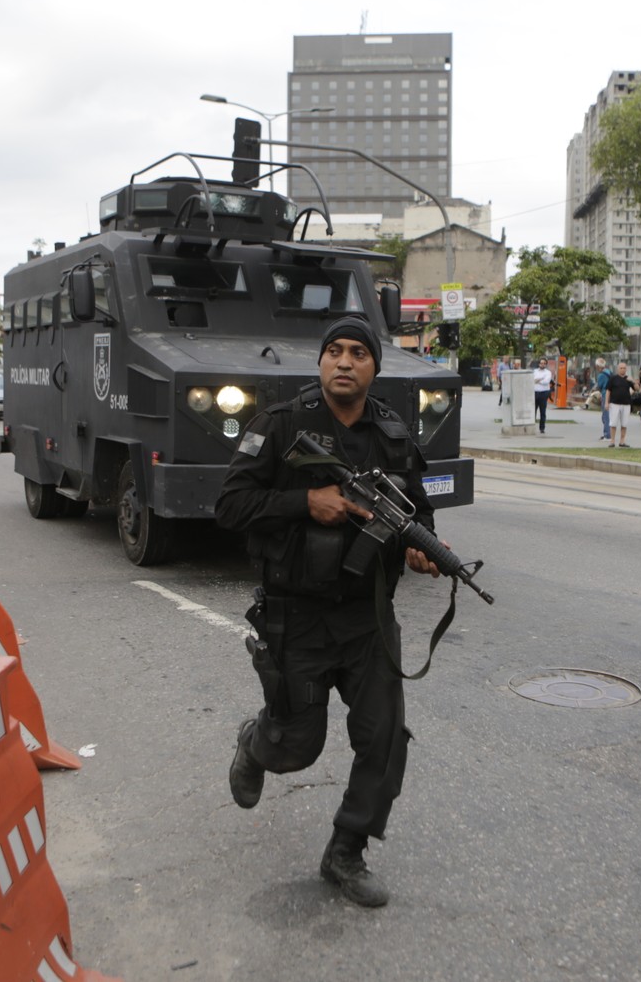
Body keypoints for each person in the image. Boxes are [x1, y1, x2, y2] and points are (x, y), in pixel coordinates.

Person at [217, 315, 445, 909]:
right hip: (296, 617)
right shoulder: (281, 424)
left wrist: (423, 549)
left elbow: (417, 512)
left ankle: (346, 852)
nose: (345, 362)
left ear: (375, 367)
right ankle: (255, 743)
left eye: (359, 354)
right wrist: (304, 501)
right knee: (298, 747)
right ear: (321, 363)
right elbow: (230, 505)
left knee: (386, 739)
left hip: (368, 619)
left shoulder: (393, 436)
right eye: (335, 352)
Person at [605, 361, 636, 447]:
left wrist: (633, 381)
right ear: (618, 369)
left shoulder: (628, 379)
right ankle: (612, 441)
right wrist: (606, 402)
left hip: (626, 404)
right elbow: (608, 390)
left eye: (624, 368)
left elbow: (636, 388)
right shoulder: (613, 378)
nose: (622, 370)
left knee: (624, 423)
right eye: (621, 368)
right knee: (613, 423)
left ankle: (622, 441)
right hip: (614, 403)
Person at [533, 358, 554, 433]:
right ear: (539, 364)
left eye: (544, 363)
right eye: (541, 363)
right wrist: (540, 379)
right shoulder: (535, 371)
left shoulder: (548, 372)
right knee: (533, 411)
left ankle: (542, 428)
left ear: (546, 364)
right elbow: (532, 380)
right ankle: (532, 426)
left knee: (543, 411)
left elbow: (546, 382)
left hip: (544, 393)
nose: (543, 364)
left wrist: (537, 380)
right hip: (535, 393)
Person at [594, 357, 611, 440]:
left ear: (598, 366)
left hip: (605, 395)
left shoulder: (601, 375)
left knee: (605, 416)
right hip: (612, 395)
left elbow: (599, 386)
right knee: (607, 415)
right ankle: (607, 433)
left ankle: (607, 434)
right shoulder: (609, 372)